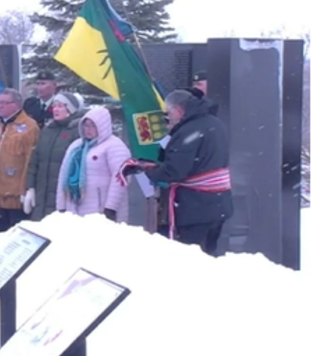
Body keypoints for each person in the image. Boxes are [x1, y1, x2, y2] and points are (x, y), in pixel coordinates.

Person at [119, 89, 233, 256]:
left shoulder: (188, 131)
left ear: (178, 110)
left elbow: (174, 171)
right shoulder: (214, 123)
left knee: (188, 258)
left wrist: (145, 168)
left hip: (195, 208)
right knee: (209, 254)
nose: (168, 117)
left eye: (169, 112)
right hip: (218, 203)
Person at [0, 88, 40, 233]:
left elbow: (30, 161)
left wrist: (26, 190)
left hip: (16, 199)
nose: (0, 106)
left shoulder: (29, 127)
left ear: (16, 105)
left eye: (4, 103)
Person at [55, 106, 131, 221]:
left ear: (102, 126)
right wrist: (61, 206)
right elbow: (63, 177)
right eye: (86, 125)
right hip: (74, 208)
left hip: (101, 210)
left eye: (92, 125)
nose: (88, 129)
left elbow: (121, 178)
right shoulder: (76, 146)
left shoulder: (115, 146)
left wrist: (110, 208)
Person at [24, 92, 85, 221]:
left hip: (64, 195)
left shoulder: (78, 131)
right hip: (42, 194)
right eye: (54, 106)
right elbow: (35, 159)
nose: (55, 109)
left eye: (60, 106)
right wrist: (30, 187)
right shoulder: (47, 130)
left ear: (70, 109)